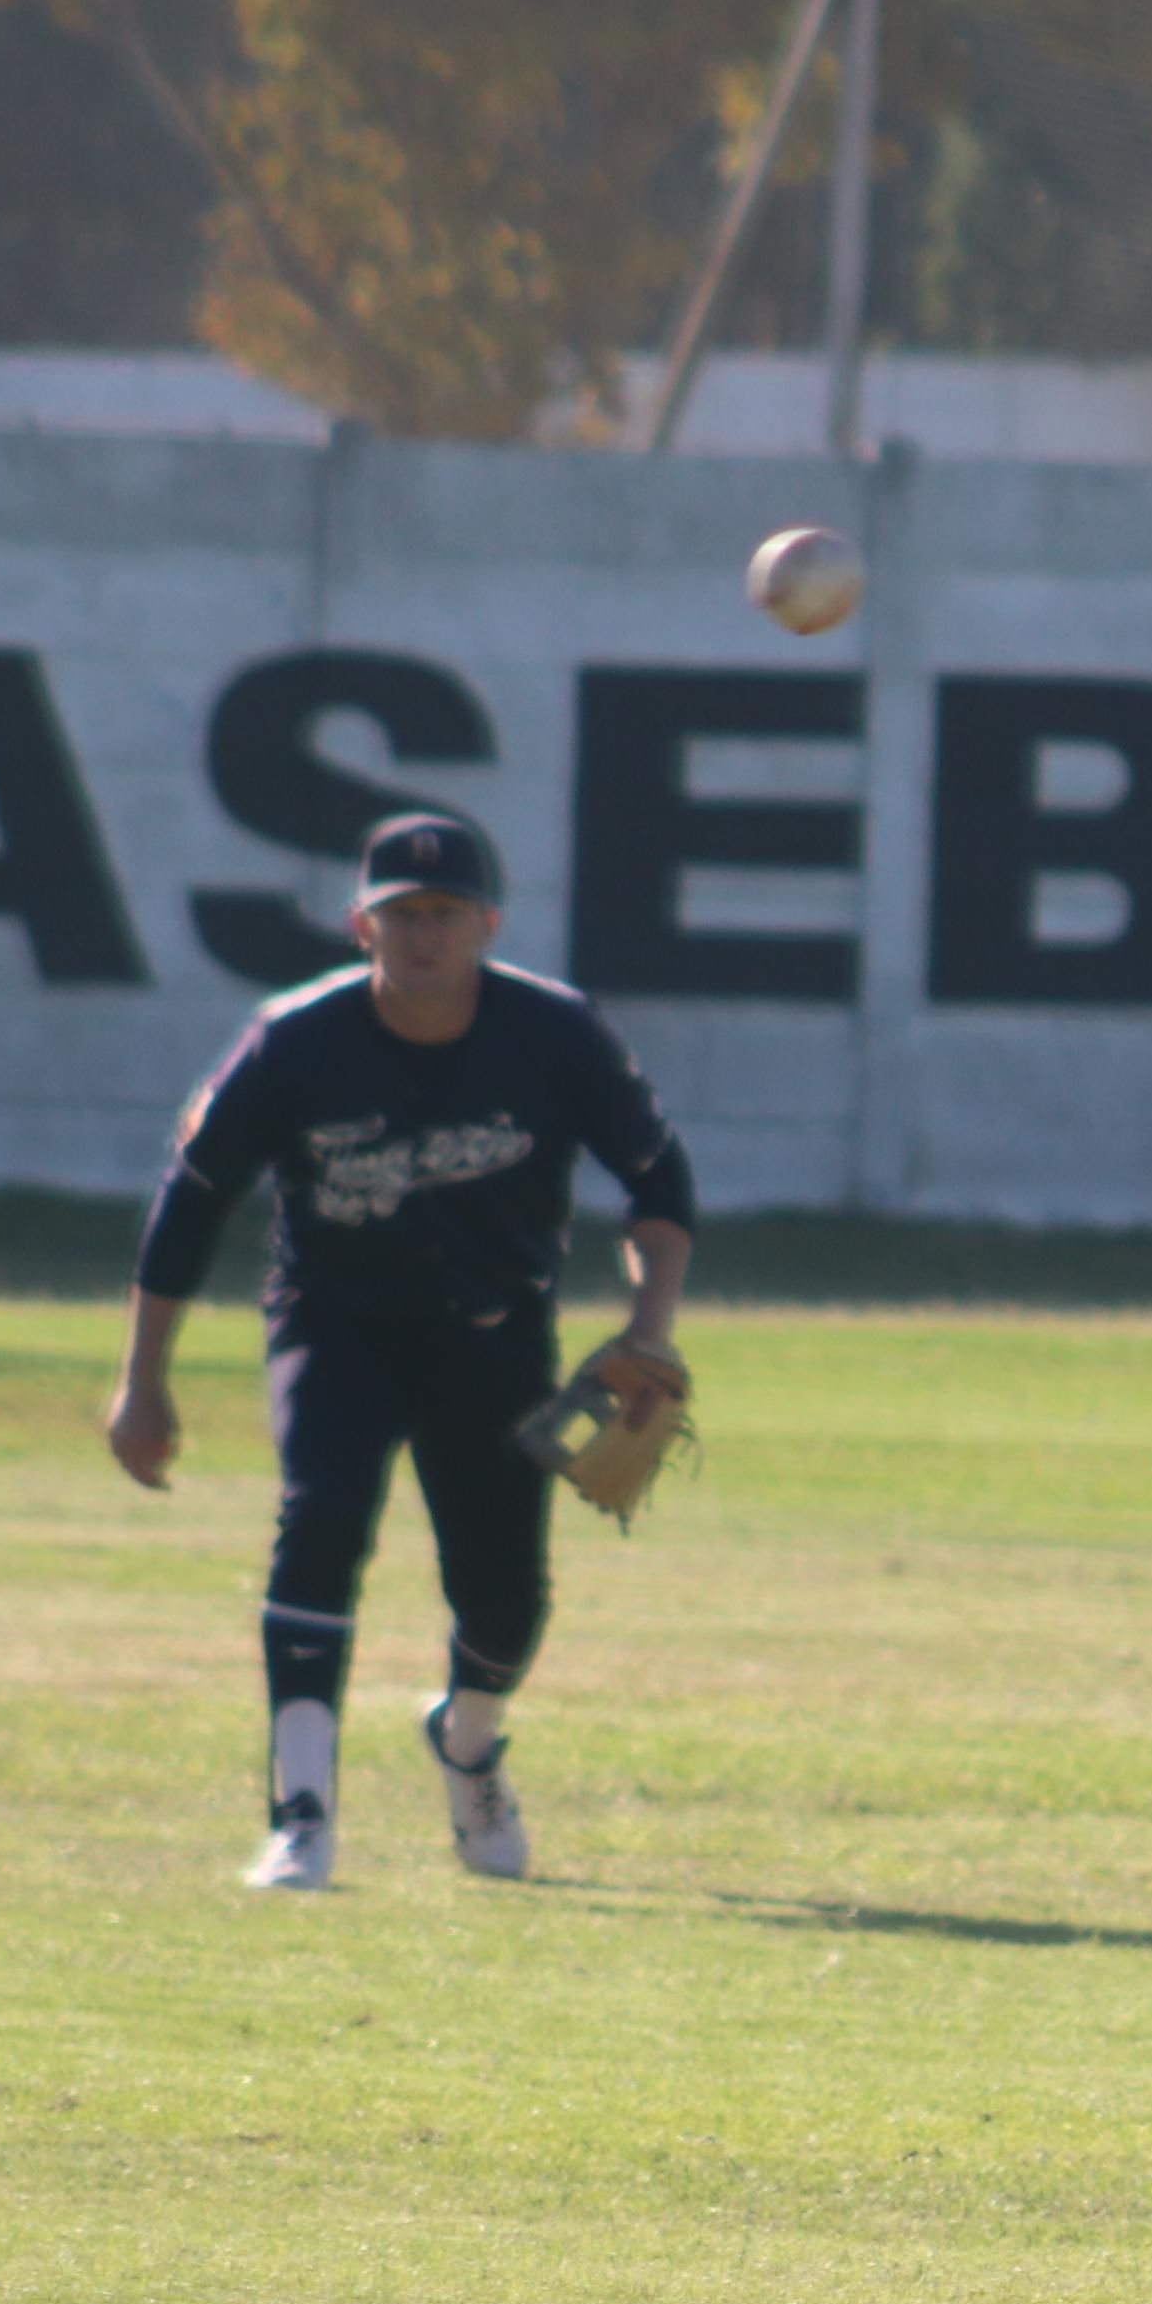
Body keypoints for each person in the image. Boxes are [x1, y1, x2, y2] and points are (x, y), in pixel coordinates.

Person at [105, 812, 700, 1894]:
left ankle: (467, 1742)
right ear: (360, 927)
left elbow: (659, 1179)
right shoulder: (294, 1040)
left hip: (494, 1336)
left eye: (443, 913)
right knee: (321, 1516)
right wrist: (142, 1381)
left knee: (506, 1596)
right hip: (336, 1322)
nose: (422, 934)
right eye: (399, 914)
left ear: (486, 923)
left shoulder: (557, 1035)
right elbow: (189, 1205)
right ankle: (302, 1814)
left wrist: (651, 1328)